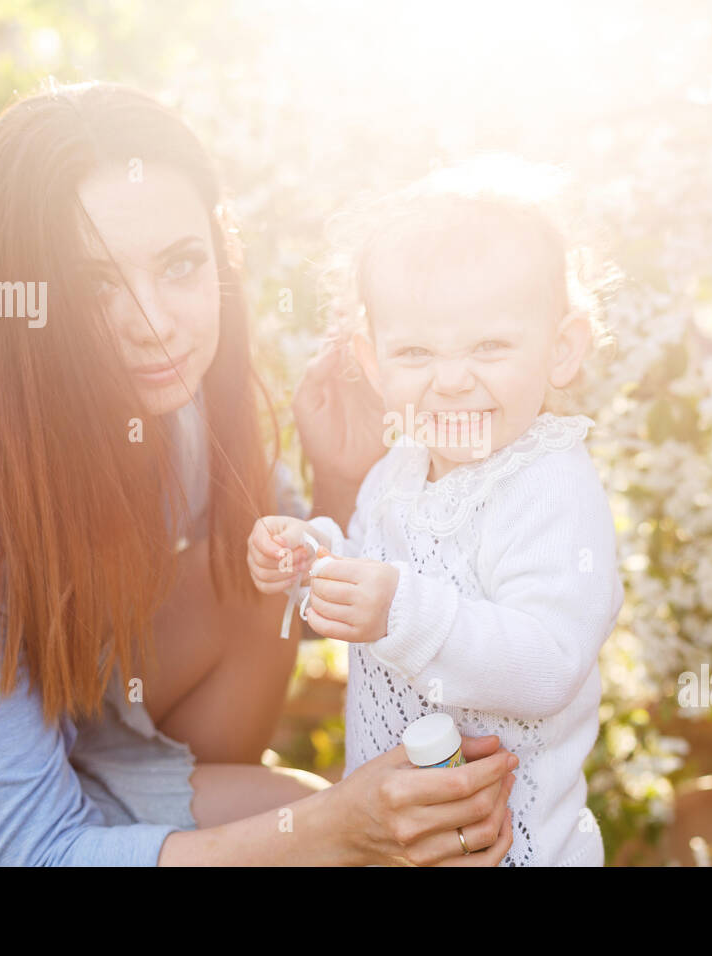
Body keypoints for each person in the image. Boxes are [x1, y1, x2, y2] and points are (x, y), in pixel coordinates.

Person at [0, 82, 516, 866]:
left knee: (253, 597)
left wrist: (341, 481)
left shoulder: (175, 404)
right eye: (94, 284)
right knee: (323, 838)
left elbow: (290, 600)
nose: (155, 323)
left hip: (52, 759)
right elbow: (31, 852)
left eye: (180, 265)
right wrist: (335, 830)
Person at [247, 158, 623, 865]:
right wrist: (313, 559)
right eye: (416, 352)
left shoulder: (550, 487)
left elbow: (549, 664)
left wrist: (400, 611)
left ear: (562, 349)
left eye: (489, 346)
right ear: (374, 361)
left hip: (516, 849)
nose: (451, 381)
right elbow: (370, 581)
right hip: (400, 840)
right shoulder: (399, 471)